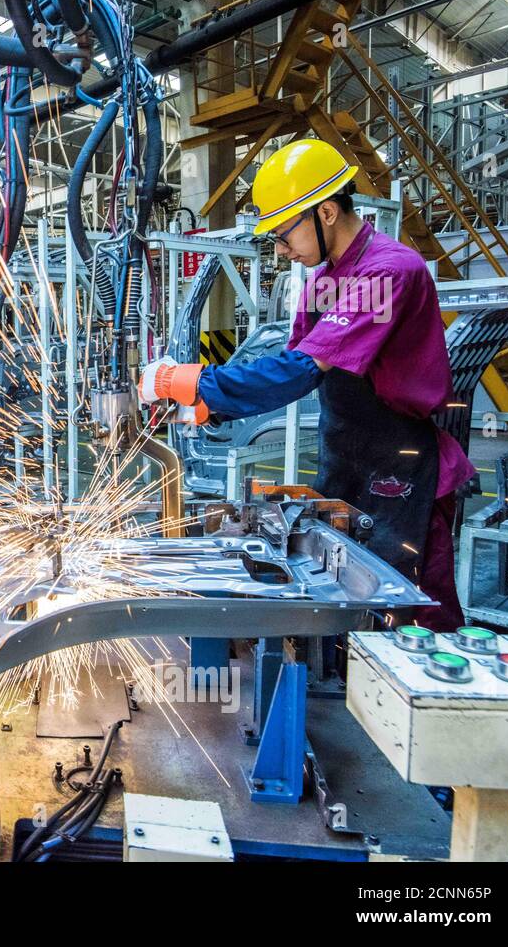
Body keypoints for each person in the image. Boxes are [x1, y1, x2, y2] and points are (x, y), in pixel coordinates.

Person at [139, 139, 474, 631]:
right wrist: (210, 406)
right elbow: (290, 361)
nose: (280, 249)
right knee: (343, 588)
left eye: (283, 234)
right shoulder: (323, 280)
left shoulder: (387, 272)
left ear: (328, 212)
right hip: (346, 453)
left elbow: (301, 373)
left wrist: (192, 382)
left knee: (406, 601)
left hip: (400, 463)